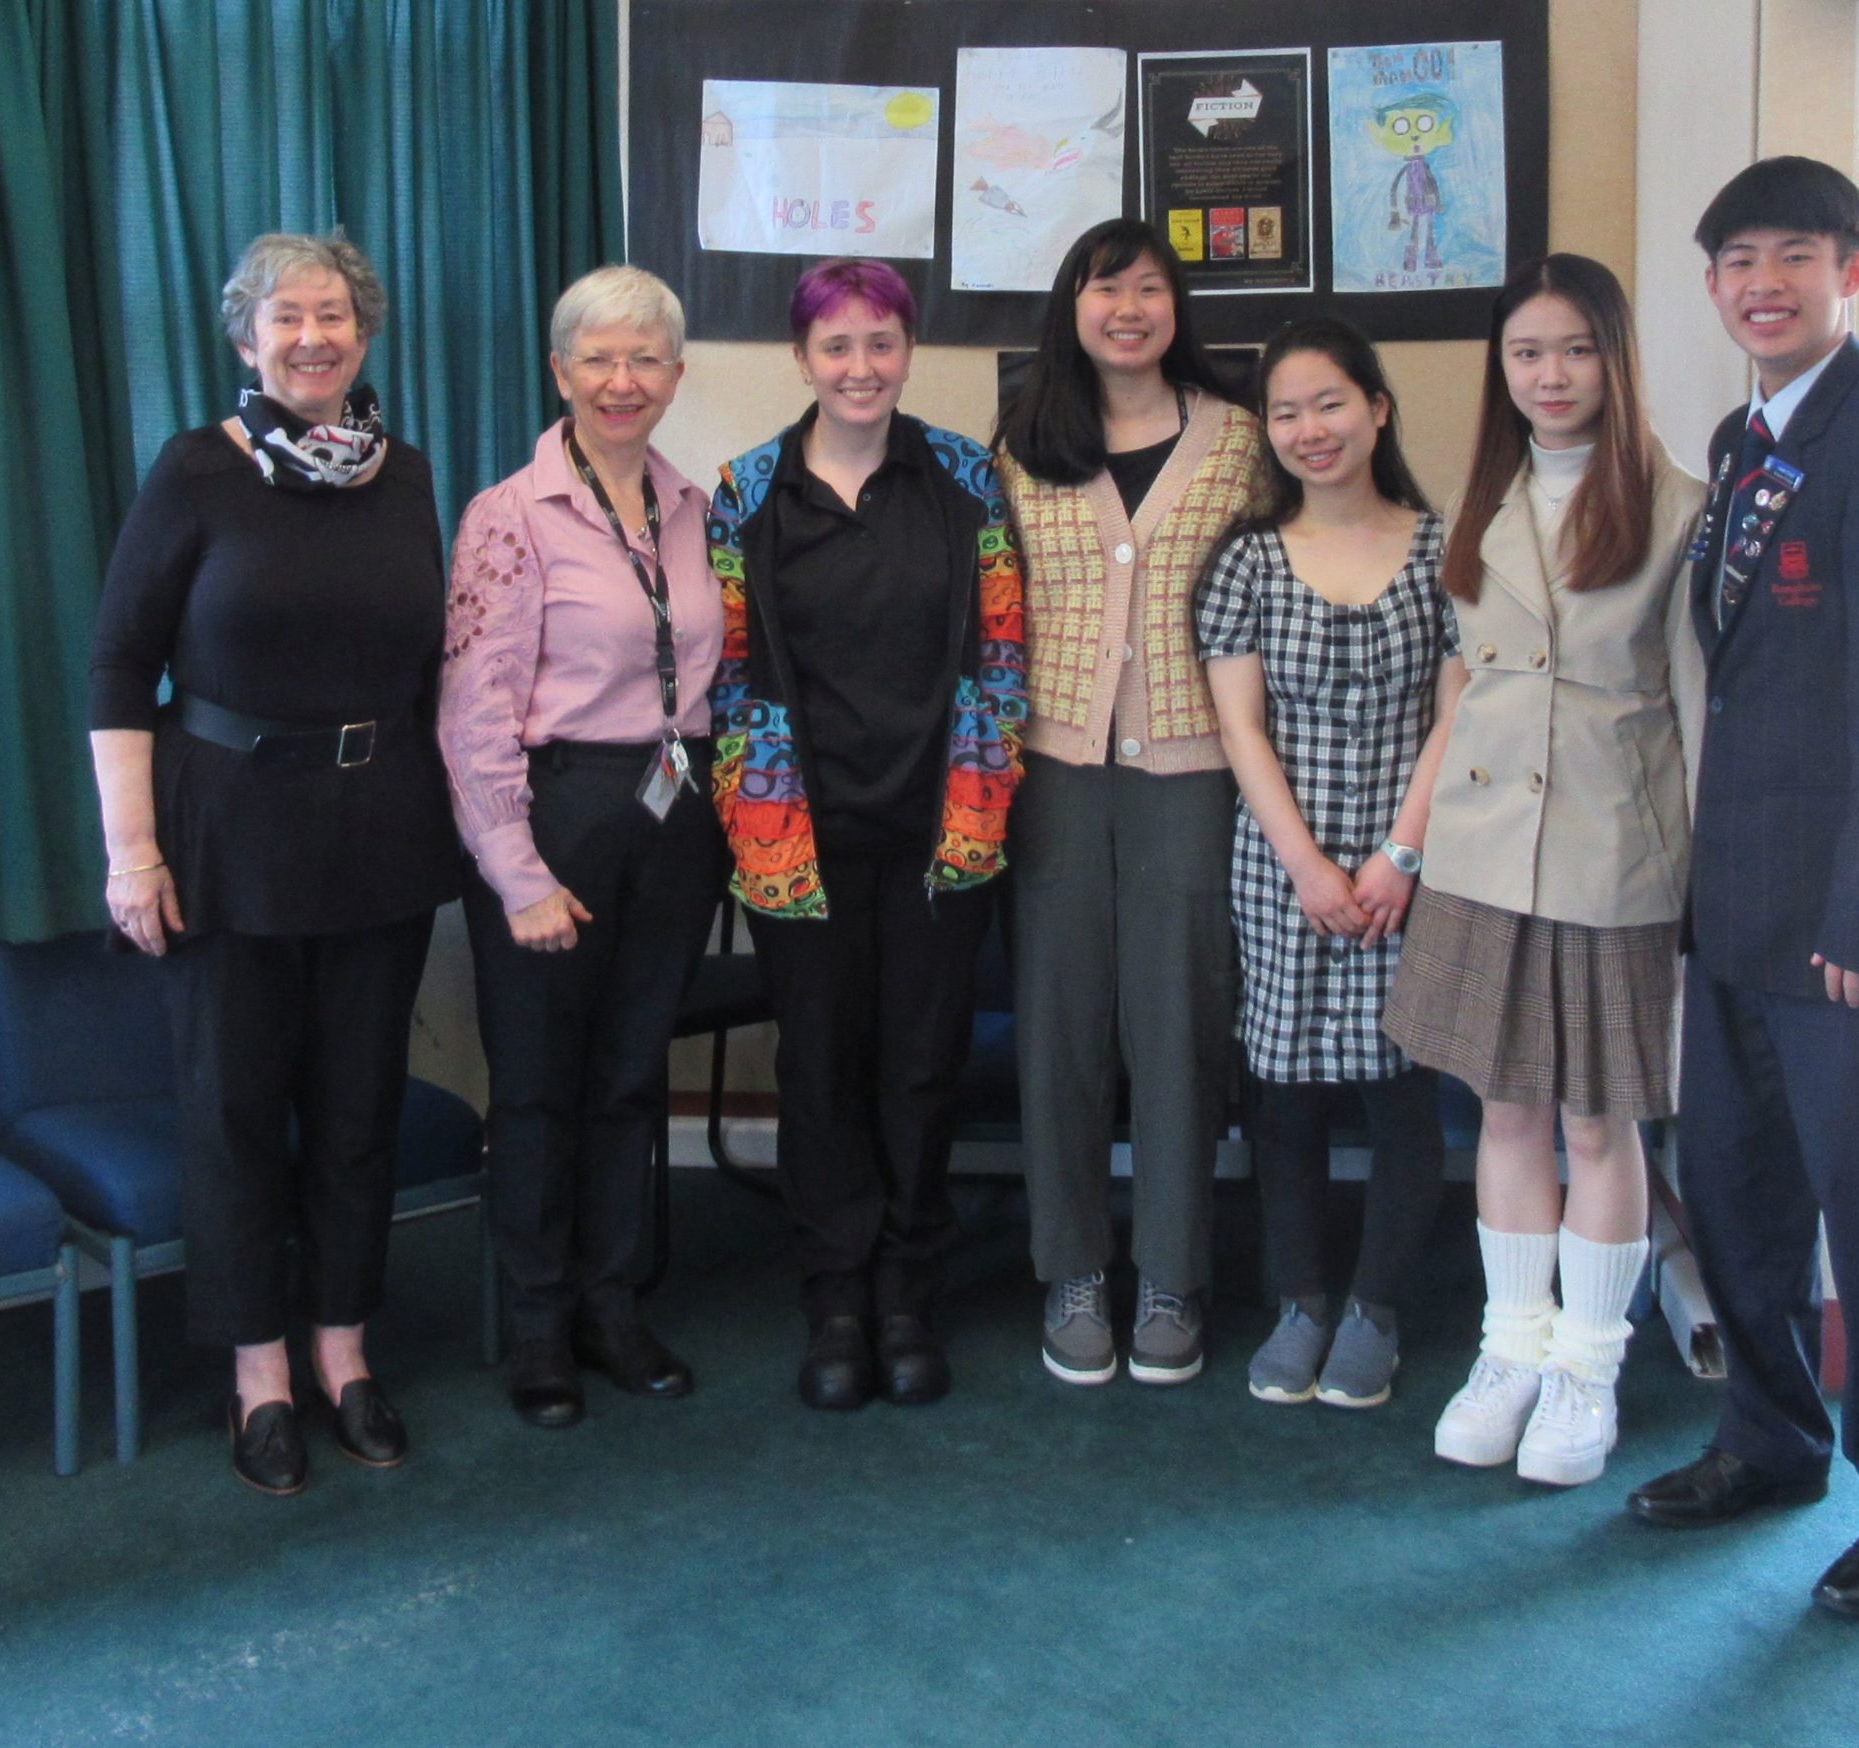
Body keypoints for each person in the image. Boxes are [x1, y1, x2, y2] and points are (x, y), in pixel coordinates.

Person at [1625, 158, 1859, 1621]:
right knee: (1735, 1193)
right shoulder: (1746, 436)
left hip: (1853, 927)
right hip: (1742, 907)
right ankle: (1770, 1439)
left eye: (1792, 255)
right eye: (1736, 261)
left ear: (1853, 271)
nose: (1761, 283)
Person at [89, 232, 463, 1495]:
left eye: (335, 313)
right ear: (247, 338)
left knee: (359, 1110)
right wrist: (131, 853)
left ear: (365, 331)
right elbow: (117, 666)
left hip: (378, 831)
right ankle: (258, 1370)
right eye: (287, 316)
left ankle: (342, 1348)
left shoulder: (406, 476)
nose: (314, 336)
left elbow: (431, 666)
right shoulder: (196, 469)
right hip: (224, 838)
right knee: (237, 1114)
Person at [1382, 253, 1705, 1486]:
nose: (1550, 374)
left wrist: (1703, 884)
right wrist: (1411, 844)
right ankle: (1509, 1348)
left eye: (1574, 349)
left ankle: (1586, 1365)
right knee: (1504, 1107)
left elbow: (1697, 711)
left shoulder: (1679, 508)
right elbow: (1462, 691)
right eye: (1525, 352)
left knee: (1596, 1117)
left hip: (1608, 856)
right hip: (1480, 857)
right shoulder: (1484, 501)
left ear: (1612, 360)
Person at [706, 259, 1025, 1410]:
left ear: (908, 350)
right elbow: (726, 670)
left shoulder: (965, 479)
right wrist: (746, 809)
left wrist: (985, 795)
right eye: (835, 345)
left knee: (921, 1065)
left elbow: (1002, 650)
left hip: (942, 827)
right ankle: (835, 1295)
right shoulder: (747, 492)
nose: (859, 366)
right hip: (796, 832)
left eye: (880, 342)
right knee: (819, 1066)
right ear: (801, 359)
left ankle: (905, 1294)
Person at [439, 266, 727, 1430]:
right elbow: (472, 713)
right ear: (559, 373)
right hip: (551, 812)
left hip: (672, 809)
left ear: (675, 374)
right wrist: (517, 874)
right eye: (598, 359)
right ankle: (537, 1327)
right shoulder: (508, 515)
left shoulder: (693, 505)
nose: (622, 380)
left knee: (628, 1074)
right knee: (538, 1087)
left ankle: (611, 1306)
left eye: (644, 359)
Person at [996, 218, 1268, 1387]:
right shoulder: (1022, 442)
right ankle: (1069, 1267)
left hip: (1194, 771)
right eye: (1104, 290)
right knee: (1057, 1026)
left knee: (1177, 1025)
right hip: (1050, 769)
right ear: (1071, 308)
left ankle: (1169, 1271)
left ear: (1175, 308)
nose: (1126, 310)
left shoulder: (1239, 439)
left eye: (1148, 289)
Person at [1195, 320, 1465, 1408]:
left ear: (1377, 409)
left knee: (1401, 1094)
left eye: (1331, 404)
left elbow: (1456, 717)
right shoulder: (1247, 558)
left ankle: (1376, 1308)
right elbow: (1240, 729)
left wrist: (1401, 852)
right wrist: (1306, 864)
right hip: (1281, 867)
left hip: (1411, 862)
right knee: (1286, 1097)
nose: (1310, 429)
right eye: (1286, 412)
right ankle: (1300, 1301)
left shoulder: (1444, 550)